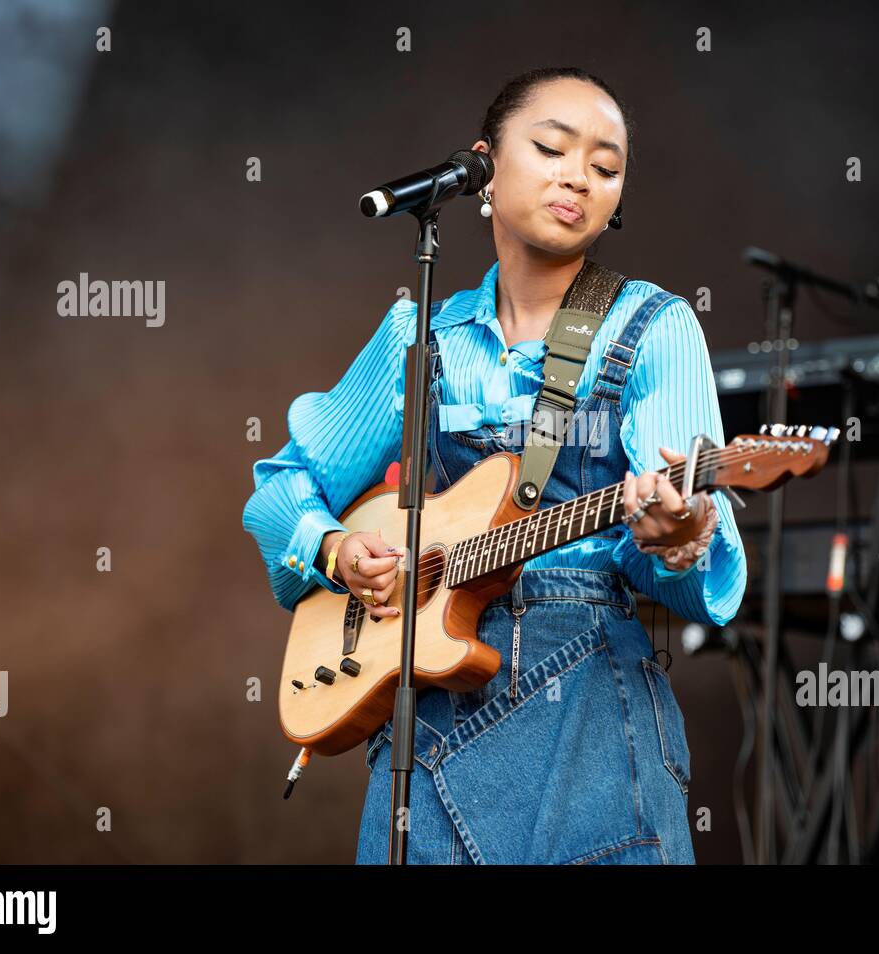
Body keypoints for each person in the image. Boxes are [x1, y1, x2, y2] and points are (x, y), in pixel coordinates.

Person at [242, 68, 748, 864]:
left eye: (606, 166)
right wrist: (340, 553)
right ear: (483, 165)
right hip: (433, 718)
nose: (578, 175)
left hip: (594, 728)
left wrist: (680, 534)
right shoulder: (426, 337)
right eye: (550, 148)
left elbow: (692, 584)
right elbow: (281, 490)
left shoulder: (655, 327)